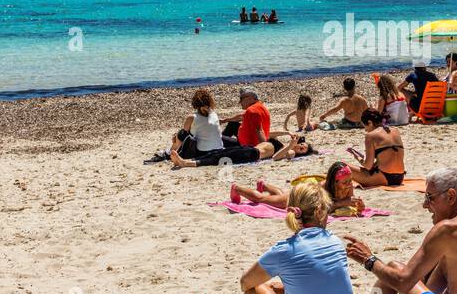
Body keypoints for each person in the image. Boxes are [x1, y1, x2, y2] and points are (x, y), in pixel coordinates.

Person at [179, 180, 364, 294]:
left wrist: (276, 286)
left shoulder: (286, 250)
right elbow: (322, 283)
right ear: (320, 212)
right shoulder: (334, 241)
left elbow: (245, 283)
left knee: (256, 291)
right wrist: (287, 287)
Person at [231, 161, 366, 216]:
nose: (349, 184)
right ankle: (237, 188)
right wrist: (343, 203)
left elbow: (350, 201)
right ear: (334, 182)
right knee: (262, 199)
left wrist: (359, 205)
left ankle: (264, 185)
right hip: (301, 196)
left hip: (305, 196)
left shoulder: (347, 185)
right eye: (345, 182)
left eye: (350, 181)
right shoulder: (322, 188)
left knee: (280, 196)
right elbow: (320, 208)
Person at [151, 88, 225, 163]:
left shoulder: (192, 117)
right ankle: (170, 152)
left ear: (195, 103)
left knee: (181, 133)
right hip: (219, 149)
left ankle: (169, 153)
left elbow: (183, 134)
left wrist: (177, 136)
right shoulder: (214, 114)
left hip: (202, 153)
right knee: (187, 133)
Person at [170, 131, 315, 168]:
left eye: (302, 149)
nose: (300, 147)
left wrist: (290, 147)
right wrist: (287, 133)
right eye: (302, 145)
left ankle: (185, 163)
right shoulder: (285, 144)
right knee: (219, 152)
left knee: (220, 158)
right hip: (249, 149)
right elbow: (268, 134)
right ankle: (186, 161)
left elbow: (275, 158)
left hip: (253, 154)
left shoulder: (290, 152)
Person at [348, 109, 405, 188]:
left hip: (383, 176)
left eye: (365, 126)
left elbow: (368, 166)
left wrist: (357, 158)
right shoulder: (395, 131)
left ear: (370, 122)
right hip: (400, 177)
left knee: (342, 165)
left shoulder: (370, 136)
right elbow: (389, 156)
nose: (365, 130)